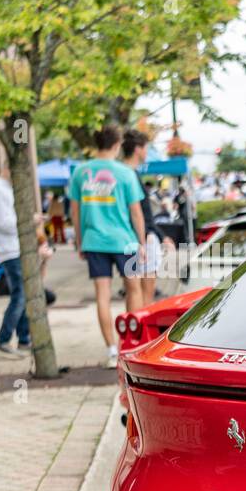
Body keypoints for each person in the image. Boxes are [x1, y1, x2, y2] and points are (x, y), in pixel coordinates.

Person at [68, 124, 146, 368]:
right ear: (117, 144)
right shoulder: (124, 173)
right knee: (133, 289)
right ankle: (133, 345)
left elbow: (75, 211)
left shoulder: (81, 172)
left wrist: (80, 242)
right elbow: (136, 212)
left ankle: (112, 351)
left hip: (94, 240)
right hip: (124, 240)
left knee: (102, 296)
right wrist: (142, 243)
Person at [0, 159, 31, 359]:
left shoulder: (2, 189)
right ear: (8, 168)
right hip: (9, 250)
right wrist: (28, 219)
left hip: (13, 249)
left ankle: (24, 339)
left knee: (22, 294)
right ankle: (3, 340)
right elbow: (5, 223)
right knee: (20, 294)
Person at [120, 129, 175, 307]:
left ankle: (133, 330)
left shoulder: (121, 173)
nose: (147, 153)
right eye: (145, 148)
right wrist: (154, 236)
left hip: (128, 236)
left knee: (132, 291)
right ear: (138, 149)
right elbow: (142, 213)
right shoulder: (131, 175)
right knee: (145, 294)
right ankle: (142, 331)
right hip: (142, 236)